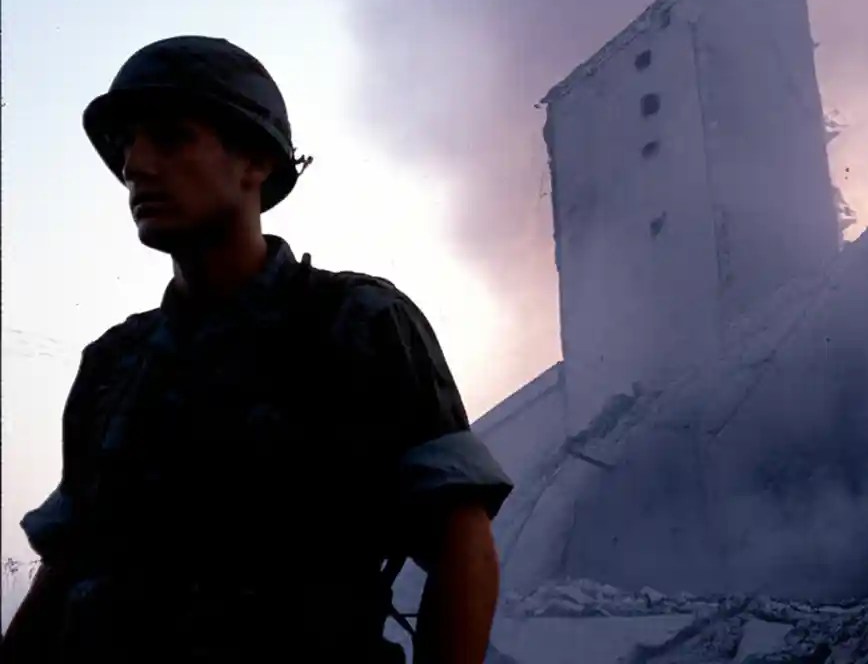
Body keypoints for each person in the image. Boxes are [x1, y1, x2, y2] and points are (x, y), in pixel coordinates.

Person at [0, 35, 514, 664]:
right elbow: (65, 568)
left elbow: (463, 540)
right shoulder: (113, 363)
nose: (134, 164)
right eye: (127, 145)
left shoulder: (357, 323)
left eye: (169, 137)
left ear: (257, 162)